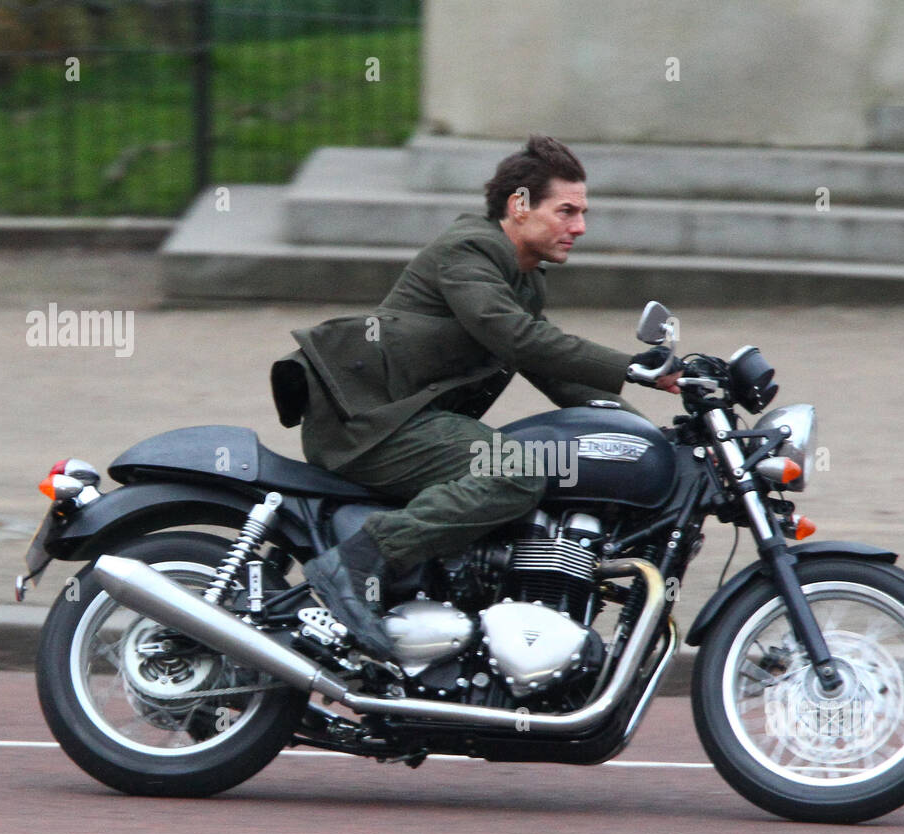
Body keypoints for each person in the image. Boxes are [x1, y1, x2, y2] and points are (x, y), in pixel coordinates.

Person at [271, 135, 681, 658]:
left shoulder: (524, 280)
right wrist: (633, 366)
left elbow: (558, 375)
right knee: (516, 469)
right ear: (519, 206)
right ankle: (358, 561)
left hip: (411, 422)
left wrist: (649, 436)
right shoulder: (470, 249)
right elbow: (514, 335)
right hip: (371, 425)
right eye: (567, 211)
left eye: (582, 213)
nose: (579, 227)